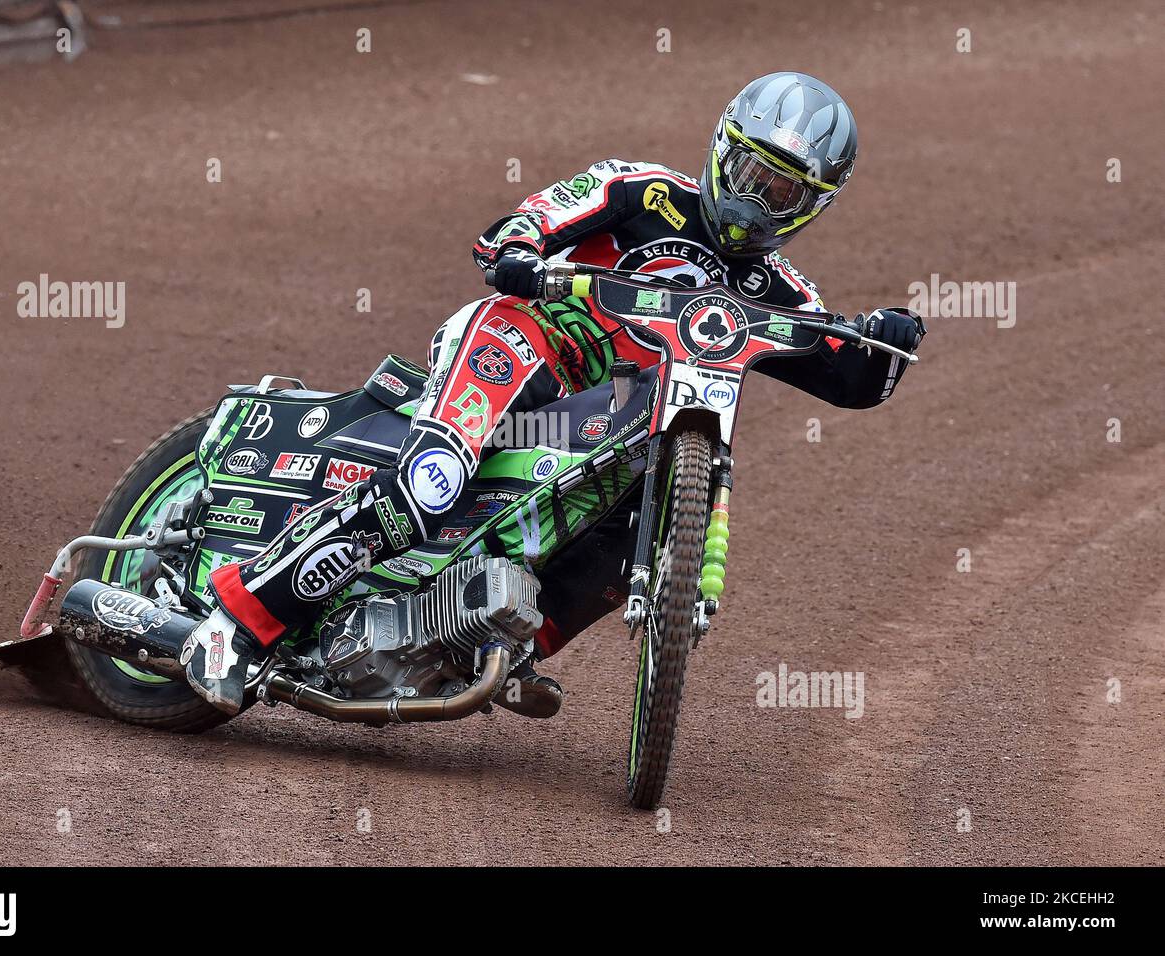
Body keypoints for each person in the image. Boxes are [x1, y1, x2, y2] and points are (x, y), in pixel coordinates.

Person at [180, 71, 924, 717]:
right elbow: (534, 217)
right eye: (753, 174)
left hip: (608, 420)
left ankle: (497, 646)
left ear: (813, 205)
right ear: (724, 150)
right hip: (523, 339)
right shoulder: (647, 192)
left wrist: (887, 344)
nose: (757, 202)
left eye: (783, 192)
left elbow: (850, 378)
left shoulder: (782, 294)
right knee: (429, 482)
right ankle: (237, 622)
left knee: (640, 518)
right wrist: (517, 249)